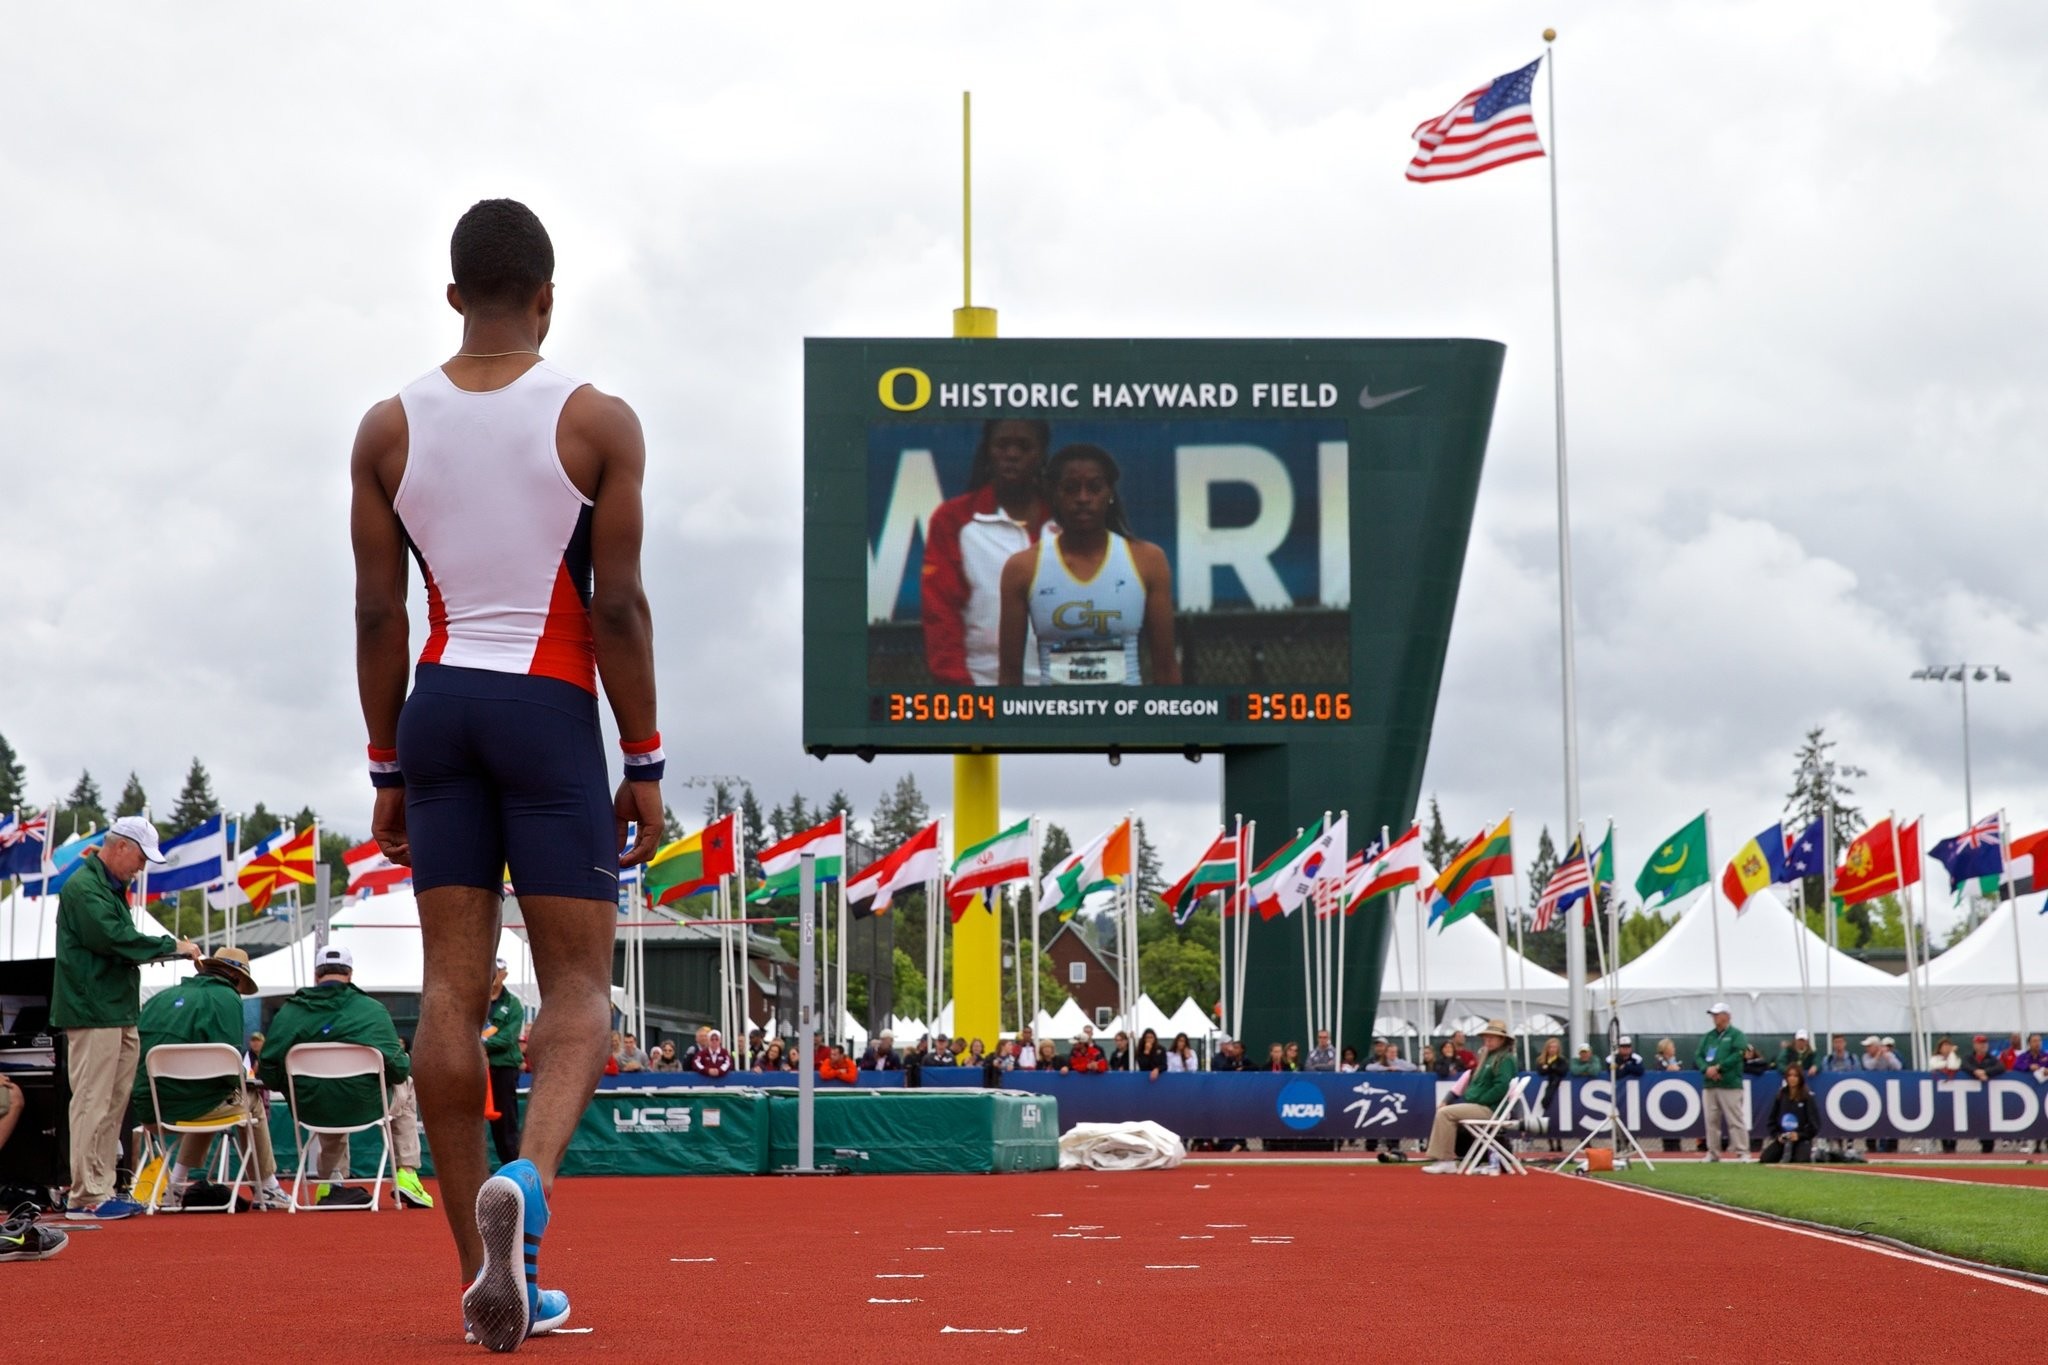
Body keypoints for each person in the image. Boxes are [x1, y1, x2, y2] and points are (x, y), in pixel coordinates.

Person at [352, 198, 661, 1350]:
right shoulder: (595, 422)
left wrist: (385, 758)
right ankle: (524, 1194)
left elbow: (378, 608)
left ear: (451, 296)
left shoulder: (388, 429)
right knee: (578, 988)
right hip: (547, 704)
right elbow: (617, 604)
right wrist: (645, 757)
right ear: (546, 295)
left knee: (451, 987)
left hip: (438, 704)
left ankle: (481, 1272)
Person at [53, 815, 201, 1221]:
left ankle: (98, 1188)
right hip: (93, 1010)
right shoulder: (84, 888)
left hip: (114, 1009)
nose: (141, 867)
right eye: (139, 858)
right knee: (92, 1100)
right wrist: (173, 946)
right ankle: (85, 1194)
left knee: (112, 1103)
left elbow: (116, 943)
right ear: (119, 847)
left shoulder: (105, 886)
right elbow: (113, 939)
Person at [258, 946, 430, 1210]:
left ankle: (329, 1180)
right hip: (366, 1106)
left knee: (326, 1092)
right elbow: (398, 1070)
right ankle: (406, 1173)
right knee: (405, 1083)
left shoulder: (290, 1012)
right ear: (350, 974)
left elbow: (268, 1072)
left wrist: (295, 1088)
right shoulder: (371, 1010)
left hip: (310, 1107)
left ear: (316, 976)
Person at [997, 443, 1180, 687]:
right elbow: (1009, 675)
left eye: (1094, 488)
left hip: (1126, 719)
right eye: (1071, 489)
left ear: (1110, 494)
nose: (1083, 498)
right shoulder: (1022, 568)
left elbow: (1166, 668)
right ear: (1055, 495)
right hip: (1056, 720)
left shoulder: (1148, 561)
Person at [131, 947, 290, 1211]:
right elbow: (228, 1070)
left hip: (151, 1109)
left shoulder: (161, 998)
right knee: (245, 1099)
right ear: (236, 979)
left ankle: (176, 1186)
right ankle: (268, 1187)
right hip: (193, 1102)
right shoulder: (227, 998)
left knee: (210, 1097)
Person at [921, 418, 1054, 684]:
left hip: (1060, 691)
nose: (1012, 455)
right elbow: (941, 613)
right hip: (982, 685)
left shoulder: (1065, 520)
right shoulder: (953, 520)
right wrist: (960, 689)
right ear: (987, 452)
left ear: (1041, 455)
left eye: (1024, 447)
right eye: (1002, 446)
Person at [1421, 1021, 1519, 1174]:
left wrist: (1481, 1099)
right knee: (1445, 1112)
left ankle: (1446, 1160)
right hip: (1483, 1106)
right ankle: (1446, 1159)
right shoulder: (1489, 1058)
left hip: (1490, 1109)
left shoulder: (1505, 1059)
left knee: (1445, 1113)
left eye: (1492, 1038)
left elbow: (1502, 1086)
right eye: (1486, 1037)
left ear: (1502, 1040)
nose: (1488, 1041)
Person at [1696, 1003, 1750, 1163]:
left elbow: (1738, 1054)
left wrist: (1719, 1068)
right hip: (1710, 1084)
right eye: (1713, 1015)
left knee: (1735, 1119)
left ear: (1727, 1016)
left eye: (1717, 1014)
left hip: (1730, 1083)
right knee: (1711, 1120)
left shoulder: (1736, 1035)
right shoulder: (1708, 1036)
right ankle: (1713, 1152)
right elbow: (1698, 1055)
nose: (1714, 1018)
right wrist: (1706, 1069)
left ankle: (1743, 1151)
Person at [483, 959, 524, 1168]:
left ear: (504, 975)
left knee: (506, 1121)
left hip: (503, 1068)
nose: (493, 975)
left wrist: (482, 1045)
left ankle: (511, 1166)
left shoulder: (513, 1004)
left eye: (497, 971)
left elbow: (509, 1037)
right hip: (476, 1068)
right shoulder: (476, 1000)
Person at [1760, 1066, 1819, 1164]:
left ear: (1800, 1078)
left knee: (1801, 1160)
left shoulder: (1807, 1097)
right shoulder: (1780, 1096)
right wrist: (1777, 1136)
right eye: (1790, 1075)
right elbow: (1771, 1120)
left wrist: (1799, 1135)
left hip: (1801, 1138)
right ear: (1786, 1078)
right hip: (1783, 1138)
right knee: (1765, 1159)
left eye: (1795, 1076)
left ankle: (1815, 1154)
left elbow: (1814, 1124)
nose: (1792, 1078)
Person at [1962, 1035, 2005, 1154]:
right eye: (1980, 1043)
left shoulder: (1991, 1058)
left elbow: (2001, 1067)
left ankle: (1987, 1149)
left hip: (1988, 1098)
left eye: (1985, 1043)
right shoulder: (1969, 1057)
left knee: (1987, 1122)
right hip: (1969, 1098)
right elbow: (1964, 1065)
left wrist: (1985, 1072)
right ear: (1975, 1045)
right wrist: (1975, 1072)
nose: (1983, 1045)